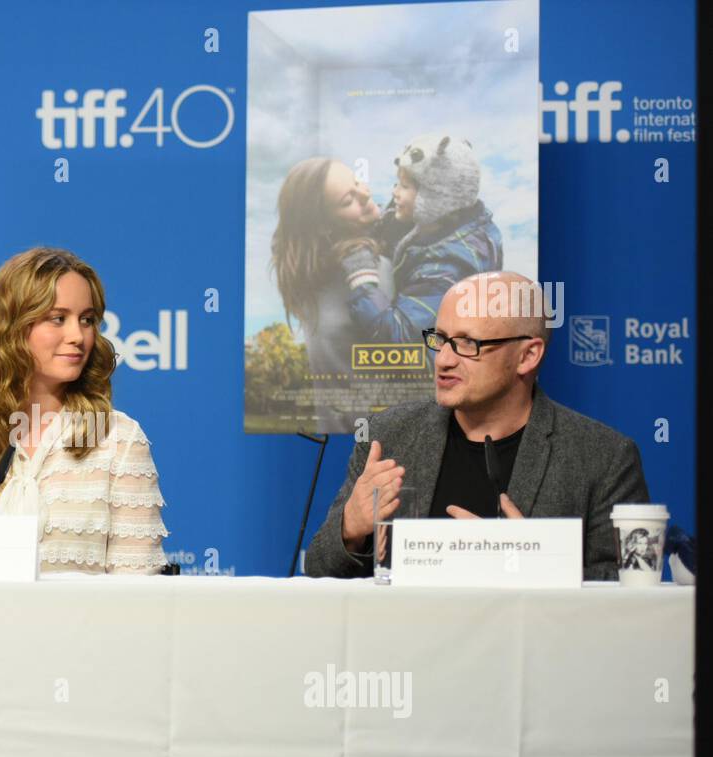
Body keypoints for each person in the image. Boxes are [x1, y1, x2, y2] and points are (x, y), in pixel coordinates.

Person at [304, 272, 649, 581]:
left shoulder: (603, 457)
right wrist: (350, 528)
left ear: (528, 356)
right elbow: (319, 570)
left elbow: (628, 589)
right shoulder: (389, 436)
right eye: (440, 339)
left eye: (468, 343)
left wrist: (533, 563)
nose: (443, 359)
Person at [0, 247, 169, 574]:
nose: (78, 336)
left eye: (87, 320)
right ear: (13, 327)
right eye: (58, 319)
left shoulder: (119, 440)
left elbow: (139, 592)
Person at [338, 133, 503, 343]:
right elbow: (388, 223)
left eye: (404, 186)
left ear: (436, 200)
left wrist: (362, 278)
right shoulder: (432, 221)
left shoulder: (446, 270)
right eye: (397, 183)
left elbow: (399, 335)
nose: (394, 192)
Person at [270, 157, 395, 432]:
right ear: (324, 226)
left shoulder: (304, 277)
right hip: (382, 445)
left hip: (336, 438)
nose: (365, 193)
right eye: (348, 200)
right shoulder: (374, 272)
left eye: (356, 182)